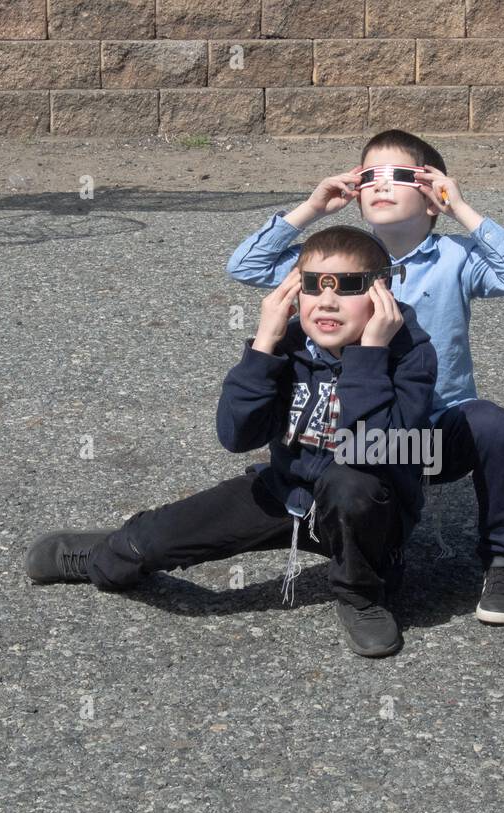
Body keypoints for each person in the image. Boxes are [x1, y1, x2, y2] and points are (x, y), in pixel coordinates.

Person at [26, 226, 438, 659]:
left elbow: (374, 448)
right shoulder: (291, 345)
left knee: (352, 478)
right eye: (313, 285)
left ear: (382, 293)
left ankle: (362, 595)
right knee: (153, 540)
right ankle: (108, 553)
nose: (327, 302)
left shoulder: (408, 353)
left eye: (349, 287)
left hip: (368, 512)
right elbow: (236, 435)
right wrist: (264, 345)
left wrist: (370, 354)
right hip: (288, 492)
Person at [227, 129, 504, 625]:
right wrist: (310, 210)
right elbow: (245, 265)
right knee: (348, 463)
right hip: (352, 434)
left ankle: (503, 560)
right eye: (369, 175)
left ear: (432, 196)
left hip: (428, 435)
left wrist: (461, 208)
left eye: (401, 176)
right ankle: (358, 526)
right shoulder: (341, 264)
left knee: (488, 422)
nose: (380, 184)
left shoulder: (455, 259)